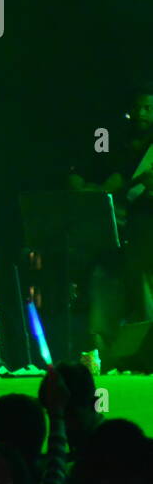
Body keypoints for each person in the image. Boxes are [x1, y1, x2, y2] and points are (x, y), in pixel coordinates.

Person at [69, 81, 153, 354]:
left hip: (144, 241)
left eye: (148, 108)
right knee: (104, 292)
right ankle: (104, 355)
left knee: (144, 297)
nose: (141, 113)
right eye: (137, 107)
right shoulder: (112, 140)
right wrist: (83, 183)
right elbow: (95, 170)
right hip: (110, 242)